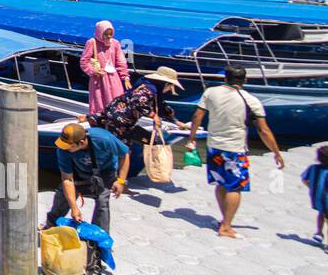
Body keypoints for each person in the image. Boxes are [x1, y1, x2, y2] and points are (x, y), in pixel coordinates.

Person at [185, 64, 284, 239]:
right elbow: (264, 131)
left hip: (214, 145)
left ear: (225, 77)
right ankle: (226, 226)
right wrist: (276, 152)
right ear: (244, 80)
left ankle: (224, 220)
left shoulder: (211, 92)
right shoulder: (251, 101)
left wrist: (192, 138)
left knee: (220, 183)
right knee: (235, 187)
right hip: (235, 149)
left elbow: (197, 116)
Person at [43, 121, 130, 275]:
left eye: (70, 146)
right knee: (61, 197)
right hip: (79, 173)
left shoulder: (103, 139)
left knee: (103, 203)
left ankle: (99, 246)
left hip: (105, 173)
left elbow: (125, 154)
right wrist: (75, 208)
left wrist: (121, 180)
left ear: (82, 142)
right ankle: (50, 230)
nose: (65, 149)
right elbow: (67, 179)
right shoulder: (63, 149)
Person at [84, 66, 184, 144]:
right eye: (171, 86)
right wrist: (153, 116)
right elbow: (137, 103)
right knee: (124, 151)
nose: (171, 89)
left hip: (113, 114)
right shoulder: (149, 89)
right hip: (119, 119)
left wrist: (176, 122)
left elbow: (162, 107)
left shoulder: (151, 88)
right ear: (165, 83)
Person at [81, 20, 131, 115]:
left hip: (114, 79)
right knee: (100, 104)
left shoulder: (115, 43)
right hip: (99, 80)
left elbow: (121, 61)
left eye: (110, 34)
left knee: (117, 102)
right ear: (100, 32)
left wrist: (125, 78)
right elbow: (84, 62)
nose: (109, 36)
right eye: (106, 34)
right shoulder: (92, 42)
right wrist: (94, 71)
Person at [301, 146, 328, 250]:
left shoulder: (313, 168)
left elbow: (304, 180)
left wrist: (312, 187)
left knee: (321, 214)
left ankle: (319, 233)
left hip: (317, 198)